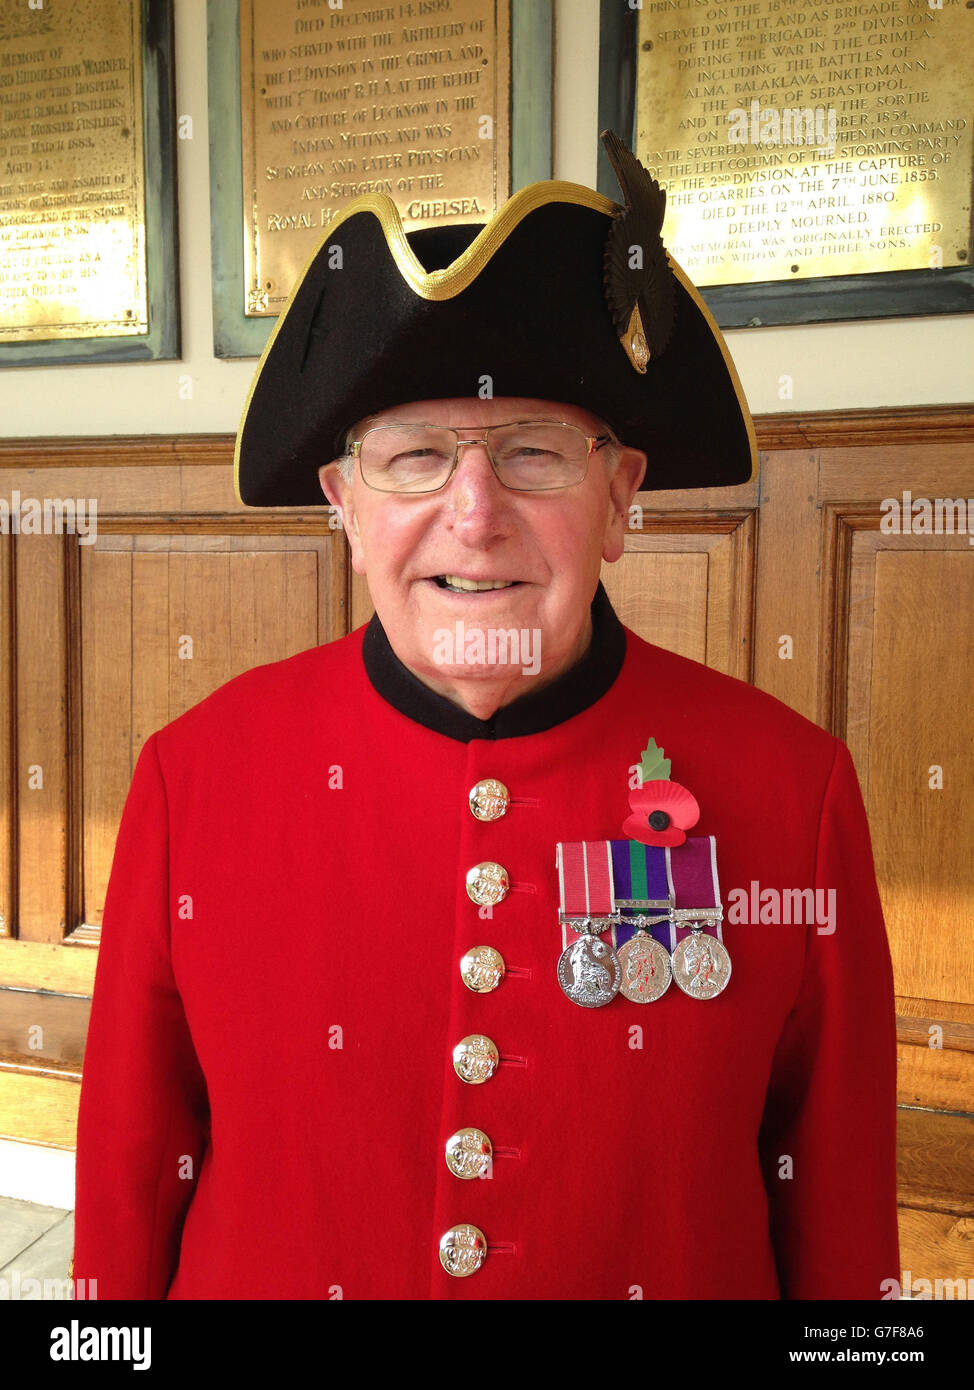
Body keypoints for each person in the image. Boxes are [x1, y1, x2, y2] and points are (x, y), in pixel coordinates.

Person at [72, 134, 899, 1300]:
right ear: (344, 505)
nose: (473, 514)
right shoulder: (193, 777)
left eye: (530, 454)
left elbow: (840, 1218)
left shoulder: (788, 788)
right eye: (414, 458)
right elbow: (125, 1190)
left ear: (617, 499)